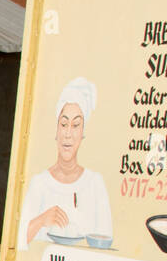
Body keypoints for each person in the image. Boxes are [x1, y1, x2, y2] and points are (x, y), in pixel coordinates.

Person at [18, 77, 113, 248]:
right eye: (63, 124)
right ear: (56, 130)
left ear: (83, 133)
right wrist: (41, 220)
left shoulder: (95, 183)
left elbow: (105, 240)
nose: (68, 133)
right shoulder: (39, 183)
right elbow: (18, 242)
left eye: (76, 125)